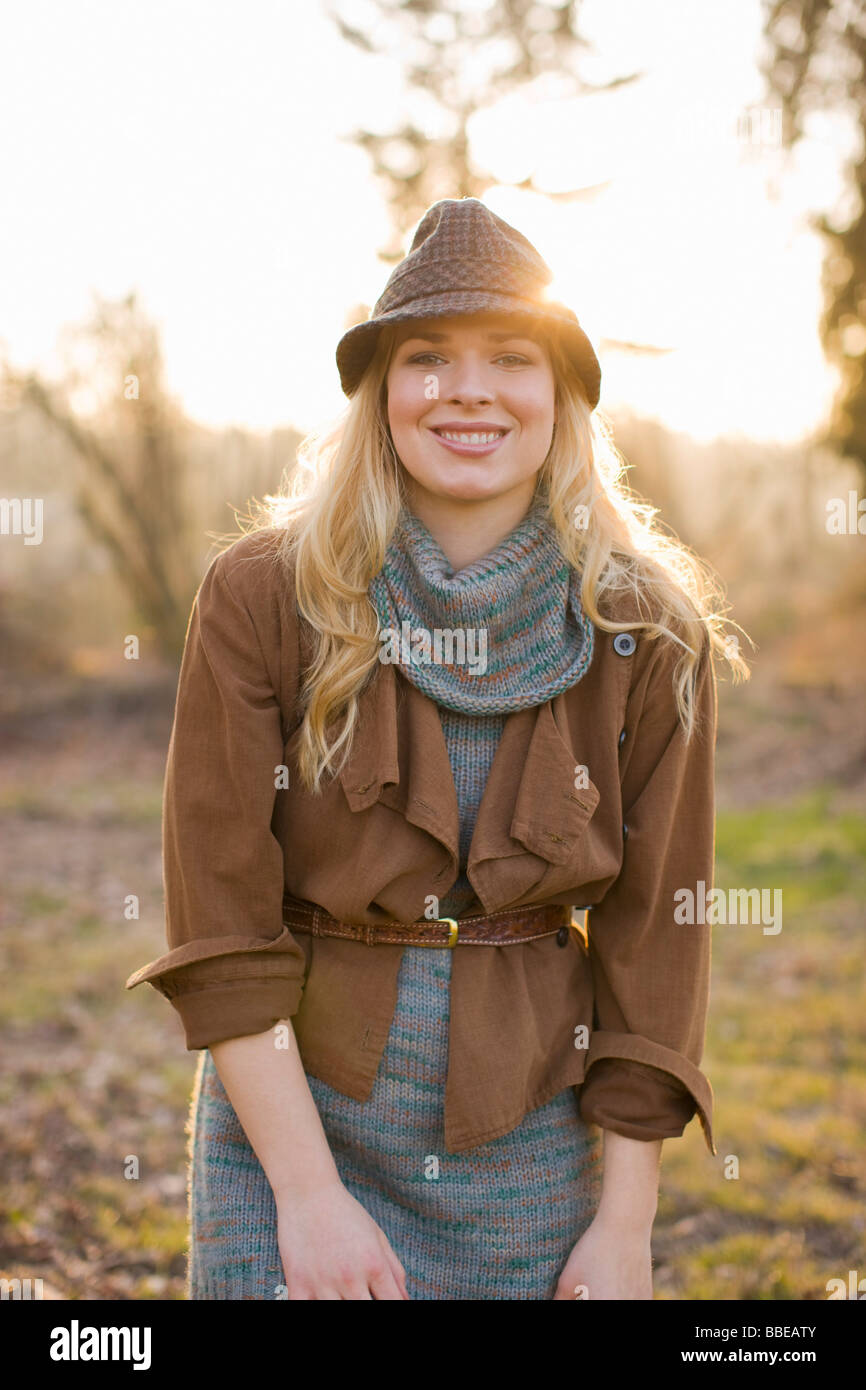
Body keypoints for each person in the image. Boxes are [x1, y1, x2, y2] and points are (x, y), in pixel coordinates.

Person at [126, 197, 748, 1301]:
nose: (467, 388)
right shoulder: (265, 595)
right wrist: (308, 1203)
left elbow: (658, 936)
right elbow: (220, 917)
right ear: (380, 396)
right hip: (290, 1137)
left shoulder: (646, 631)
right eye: (427, 358)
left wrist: (623, 1224)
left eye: (510, 356)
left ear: (560, 395)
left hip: (531, 1153)